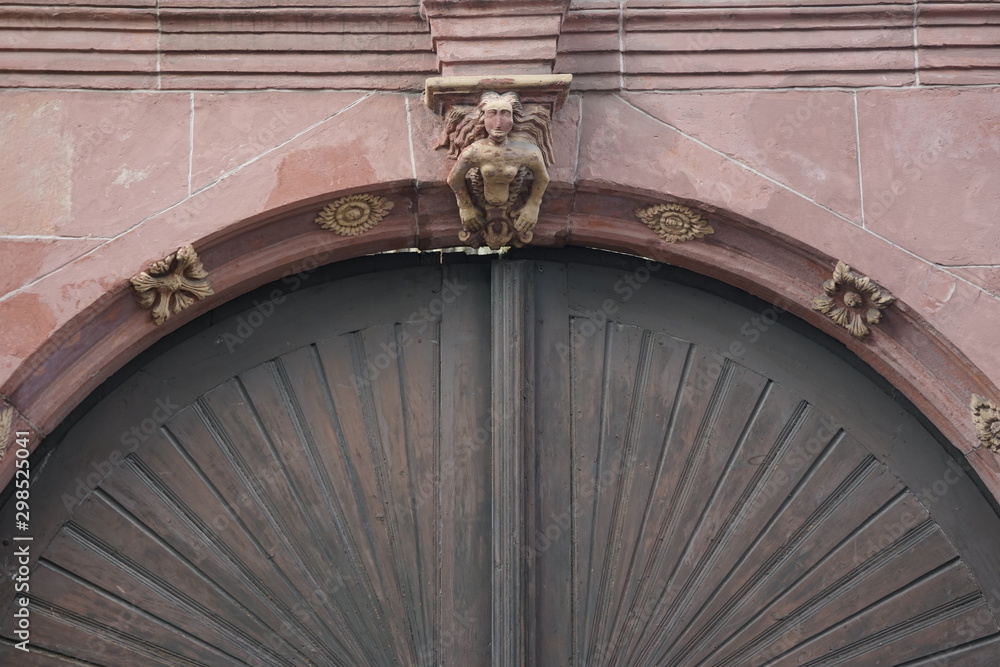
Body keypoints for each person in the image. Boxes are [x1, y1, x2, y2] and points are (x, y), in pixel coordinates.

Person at [445, 91, 551, 248]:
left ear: (514, 118)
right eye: (491, 114)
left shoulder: (527, 152)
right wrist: (465, 206)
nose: (498, 123)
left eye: (505, 114)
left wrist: (533, 205)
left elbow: (543, 178)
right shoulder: (475, 151)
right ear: (482, 118)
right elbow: (454, 178)